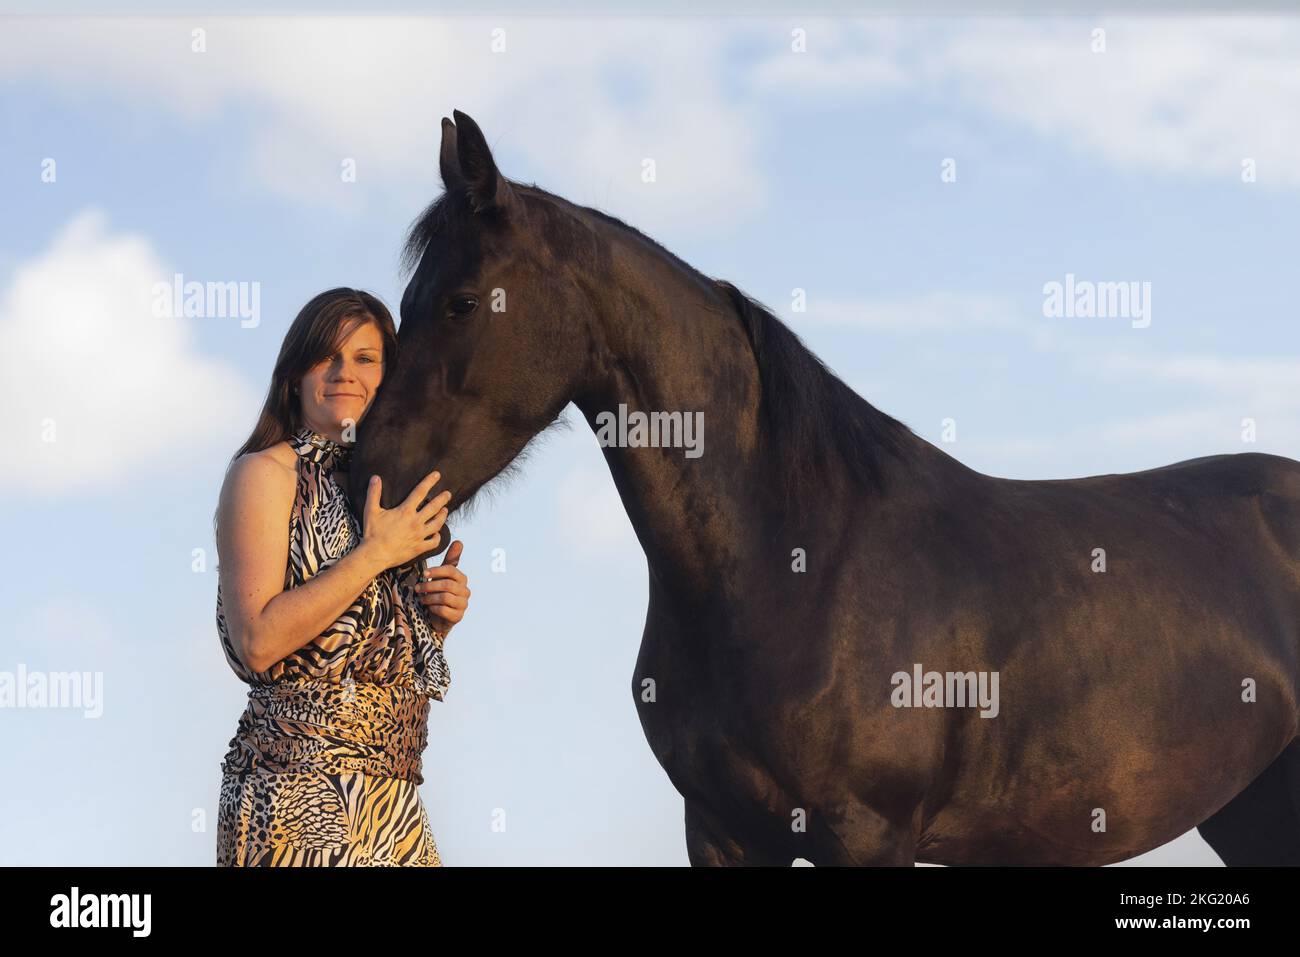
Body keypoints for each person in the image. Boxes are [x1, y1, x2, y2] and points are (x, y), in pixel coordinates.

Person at [212, 287, 471, 866]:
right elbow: (258, 643)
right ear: (296, 372)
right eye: (326, 355)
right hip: (295, 794)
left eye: (364, 358)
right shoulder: (264, 474)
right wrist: (375, 556)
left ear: (388, 375)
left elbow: (359, 648)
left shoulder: (387, 488)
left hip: (395, 801)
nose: (342, 373)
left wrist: (435, 622)